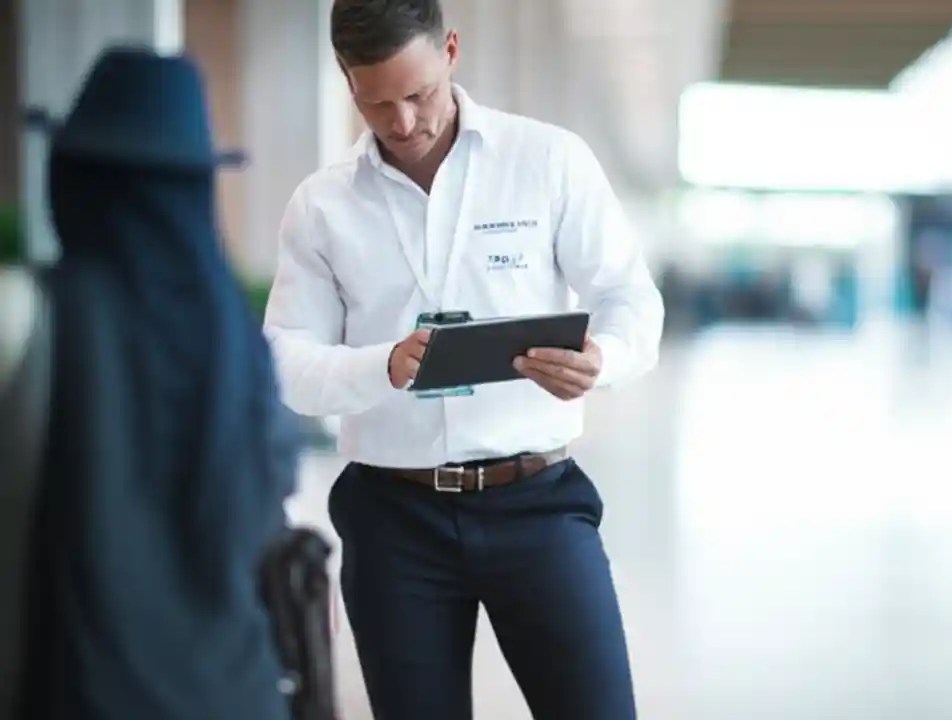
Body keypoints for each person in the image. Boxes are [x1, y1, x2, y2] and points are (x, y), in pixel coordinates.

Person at [261, 1, 665, 718]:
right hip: (393, 520)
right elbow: (287, 362)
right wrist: (381, 365)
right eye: (377, 103)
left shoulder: (547, 160)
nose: (404, 124)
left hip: (537, 503)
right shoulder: (321, 207)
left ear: (451, 50)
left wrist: (602, 359)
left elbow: (630, 296)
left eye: (419, 95)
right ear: (346, 80)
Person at [18, 48, 296, 719]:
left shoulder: (41, 317)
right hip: (240, 696)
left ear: (75, 176)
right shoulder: (236, 330)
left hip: (87, 694)